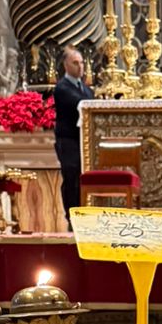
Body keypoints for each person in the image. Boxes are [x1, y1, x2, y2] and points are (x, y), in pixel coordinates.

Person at [53, 42, 93, 220]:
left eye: (82, 62)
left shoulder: (86, 89)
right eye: (76, 63)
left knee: (82, 178)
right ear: (66, 66)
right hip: (68, 141)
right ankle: (71, 215)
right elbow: (79, 103)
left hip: (84, 140)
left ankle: (84, 211)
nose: (80, 66)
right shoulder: (62, 88)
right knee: (71, 177)